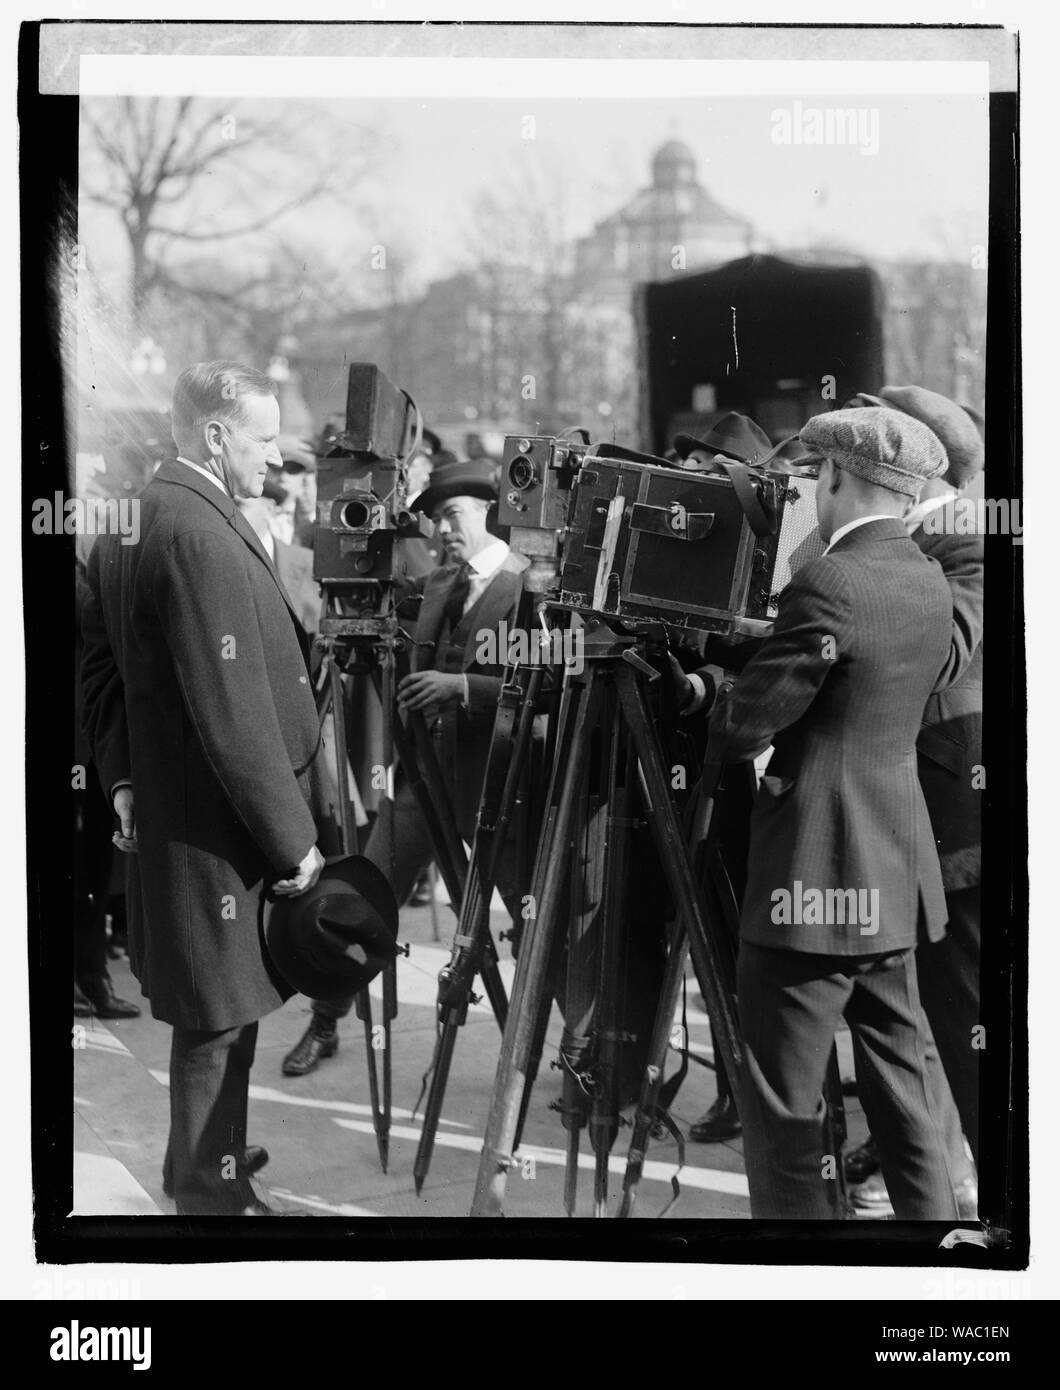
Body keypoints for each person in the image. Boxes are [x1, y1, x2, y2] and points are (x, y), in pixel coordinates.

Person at [680, 405, 962, 1219]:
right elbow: (851, 678)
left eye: (811, 475)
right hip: (892, 878)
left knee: (785, 1112)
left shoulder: (830, 580)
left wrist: (705, 688)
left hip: (812, 884)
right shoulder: (925, 576)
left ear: (835, 476)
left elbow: (744, 727)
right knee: (905, 1101)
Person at [81, 360, 336, 1216]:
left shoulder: (139, 517)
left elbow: (105, 669)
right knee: (217, 1018)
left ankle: (207, 1155)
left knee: (220, 1003)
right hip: (216, 826)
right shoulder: (198, 532)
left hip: (181, 811)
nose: (277, 456)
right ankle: (207, 1190)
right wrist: (293, 842)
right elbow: (234, 715)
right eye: (265, 439)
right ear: (217, 435)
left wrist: (121, 777)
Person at [282, 456, 535, 1076]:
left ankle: (572, 1056)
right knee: (361, 898)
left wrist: (465, 689)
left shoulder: (531, 586)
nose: (443, 529)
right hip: (424, 780)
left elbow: (547, 685)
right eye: (435, 519)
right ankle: (325, 1020)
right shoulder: (440, 583)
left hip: (499, 786)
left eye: (453, 514)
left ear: (490, 512)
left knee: (532, 919)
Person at [843, 386, 985, 1214]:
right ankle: (945, 1170)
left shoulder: (964, 538)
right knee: (930, 1010)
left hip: (957, 821)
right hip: (918, 816)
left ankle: (997, 1199)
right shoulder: (926, 540)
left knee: (965, 1013)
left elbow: (933, 658)